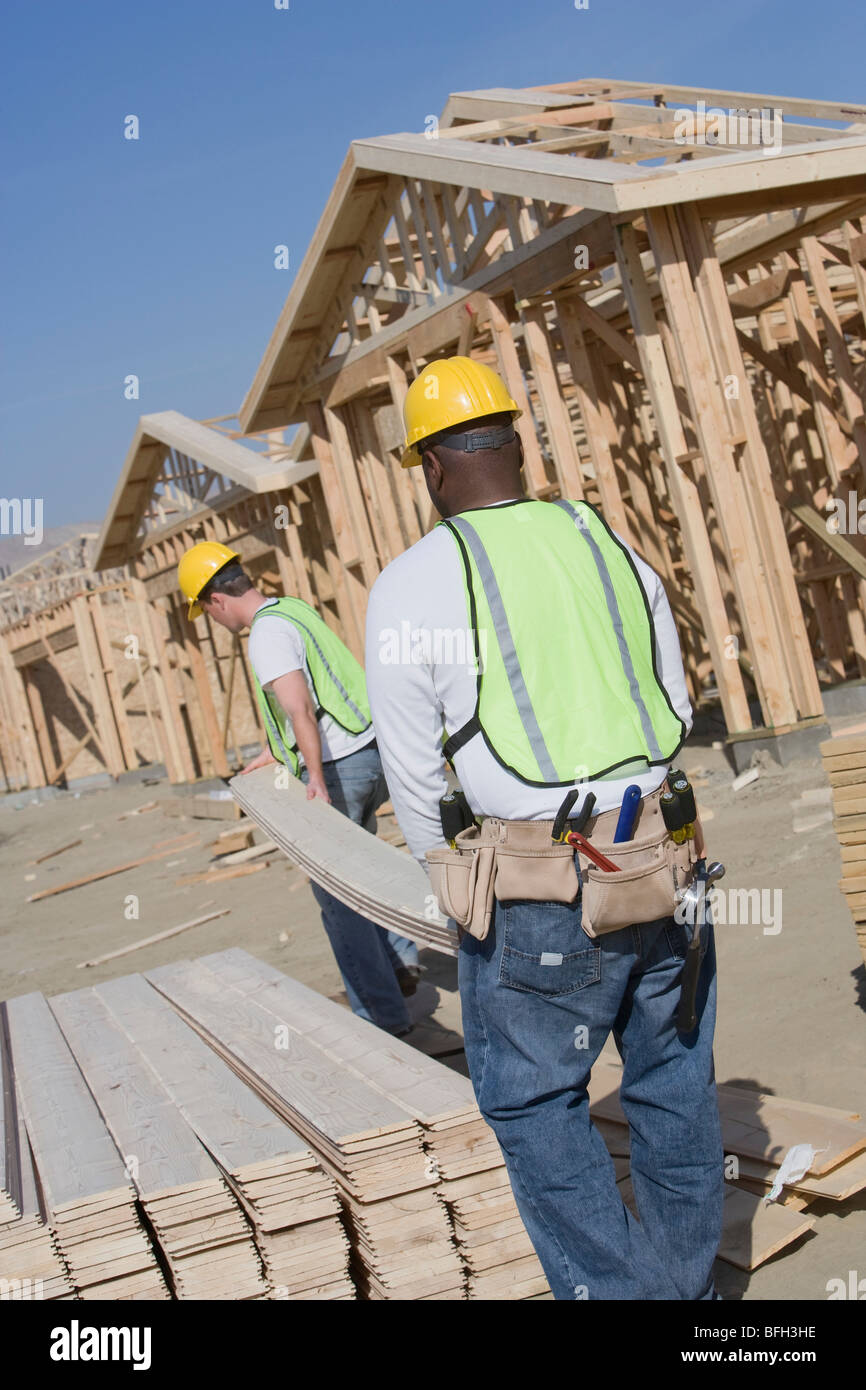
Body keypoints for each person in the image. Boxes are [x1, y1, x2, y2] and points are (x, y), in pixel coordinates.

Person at [365, 355, 724, 1299]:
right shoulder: (605, 538)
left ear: (432, 467)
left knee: (535, 1104)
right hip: (664, 854)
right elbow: (674, 695)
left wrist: (449, 882)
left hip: (542, 885)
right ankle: (687, 1296)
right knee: (674, 1080)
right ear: (515, 447)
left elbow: (409, 770)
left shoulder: (413, 581)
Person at [177, 541, 420, 1035]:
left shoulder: (263, 637)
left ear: (216, 601)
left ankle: (382, 1018)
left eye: (205, 611)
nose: (212, 620)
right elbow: (307, 696)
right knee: (361, 868)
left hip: (338, 768)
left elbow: (299, 707)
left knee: (335, 896)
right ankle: (400, 958)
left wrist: (313, 776)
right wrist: (274, 751)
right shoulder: (291, 610)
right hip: (372, 753)